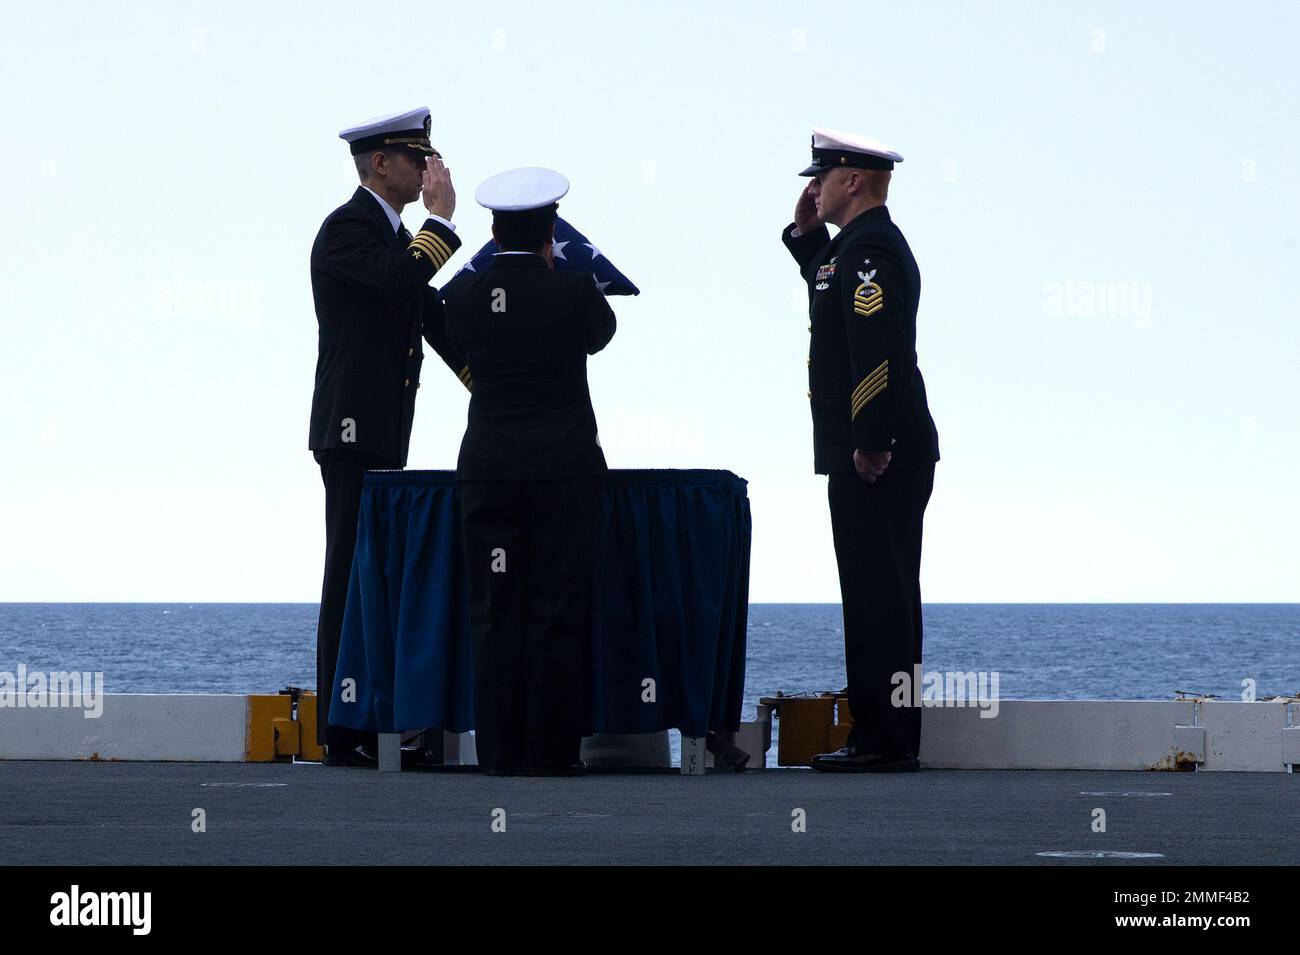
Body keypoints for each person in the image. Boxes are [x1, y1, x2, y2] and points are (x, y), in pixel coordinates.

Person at [442, 167, 616, 776]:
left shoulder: (465, 297)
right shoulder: (574, 293)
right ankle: (550, 752)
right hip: (563, 472)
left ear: (493, 230)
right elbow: (603, 333)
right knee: (556, 609)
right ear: (552, 233)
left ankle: (500, 753)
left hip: (489, 470)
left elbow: (454, 336)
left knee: (495, 610)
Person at [308, 107, 468, 766]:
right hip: (351, 431)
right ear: (381, 163)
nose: (428, 169)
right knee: (347, 572)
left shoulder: (391, 236)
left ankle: (366, 716)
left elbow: (432, 315)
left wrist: (498, 387)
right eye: (416, 157)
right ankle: (338, 728)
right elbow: (400, 280)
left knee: (372, 574)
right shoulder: (348, 230)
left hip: (383, 431)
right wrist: (443, 222)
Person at [781, 127, 940, 772]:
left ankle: (885, 740)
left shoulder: (872, 250)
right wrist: (807, 240)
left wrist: (871, 442)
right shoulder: (854, 249)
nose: (812, 188)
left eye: (821, 178)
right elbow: (831, 289)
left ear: (853, 181)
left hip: (878, 453)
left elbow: (877, 349)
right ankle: (884, 735)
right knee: (875, 591)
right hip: (866, 449)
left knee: (880, 595)